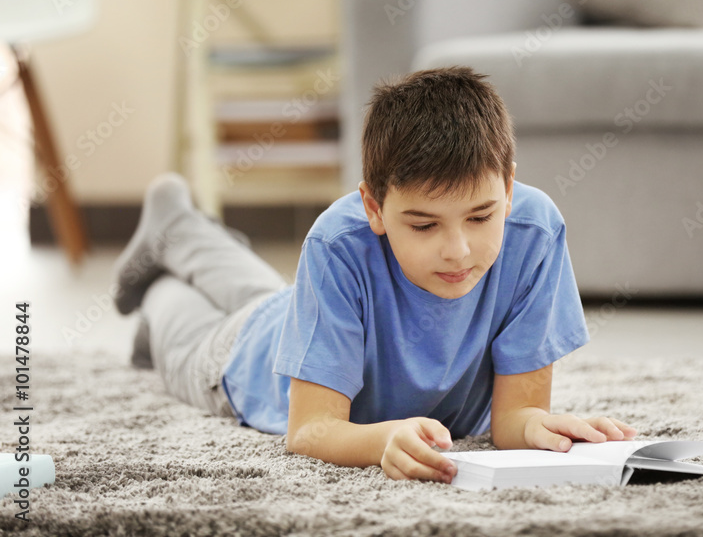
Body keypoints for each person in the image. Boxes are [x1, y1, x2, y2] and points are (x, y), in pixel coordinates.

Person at [113, 66, 636, 483]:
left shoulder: (536, 232)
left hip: (298, 313)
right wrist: (380, 440)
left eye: (482, 216)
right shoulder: (335, 242)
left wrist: (540, 428)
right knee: (182, 316)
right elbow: (311, 428)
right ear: (374, 207)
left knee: (268, 295)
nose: (458, 251)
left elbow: (511, 419)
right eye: (425, 224)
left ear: (510, 188)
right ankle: (159, 282)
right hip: (245, 352)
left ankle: (176, 225)